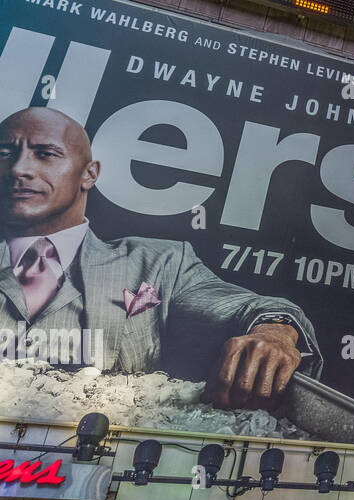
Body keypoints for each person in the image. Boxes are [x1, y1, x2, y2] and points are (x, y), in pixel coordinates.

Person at [0, 107, 321, 409]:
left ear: (89, 174)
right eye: (5, 154)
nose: (20, 169)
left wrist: (274, 333)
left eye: (45, 154)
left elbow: (247, 306)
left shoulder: (161, 264)